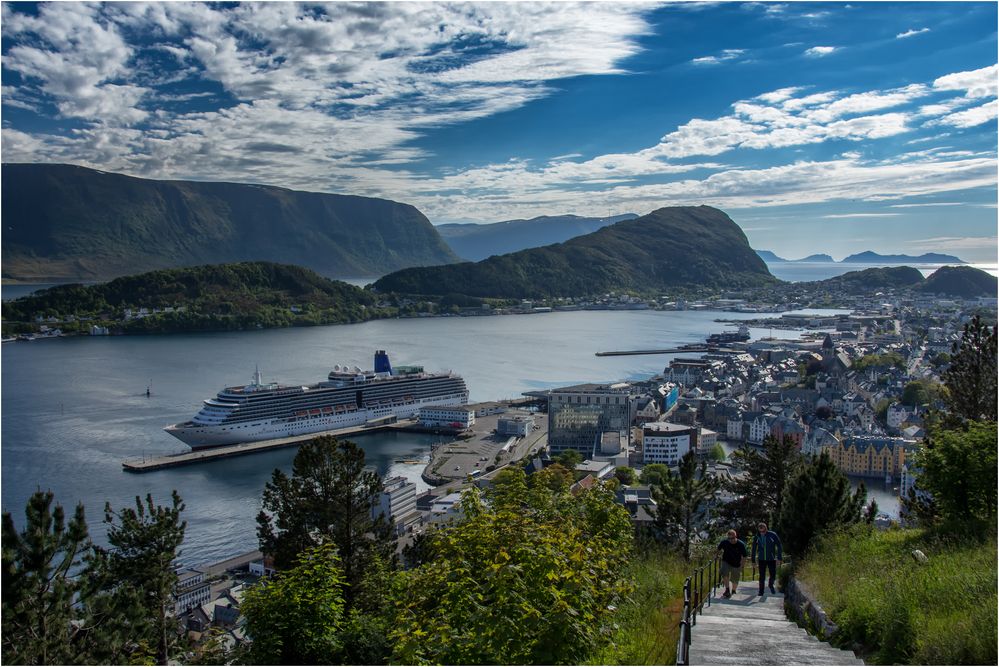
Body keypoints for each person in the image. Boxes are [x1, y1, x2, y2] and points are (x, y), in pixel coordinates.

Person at [751, 522, 783, 595]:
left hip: (771, 558)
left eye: (763, 531)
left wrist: (779, 557)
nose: (762, 533)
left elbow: (779, 546)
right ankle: (761, 591)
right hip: (761, 559)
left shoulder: (772, 535)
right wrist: (753, 561)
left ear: (766, 529)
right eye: (760, 531)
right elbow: (753, 549)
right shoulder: (757, 536)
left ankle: (770, 584)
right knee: (761, 576)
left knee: (773, 574)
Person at [716, 529, 748, 598]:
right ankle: (727, 590)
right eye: (729, 538)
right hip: (726, 561)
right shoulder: (724, 542)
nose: (731, 540)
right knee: (724, 572)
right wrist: (717, 556)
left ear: (735, 536)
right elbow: (718, 549)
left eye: (733, 538)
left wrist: (742, 565)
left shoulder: (740, 544)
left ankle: (733, 590)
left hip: (736, 563)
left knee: (735, 579)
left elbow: (745, 556)